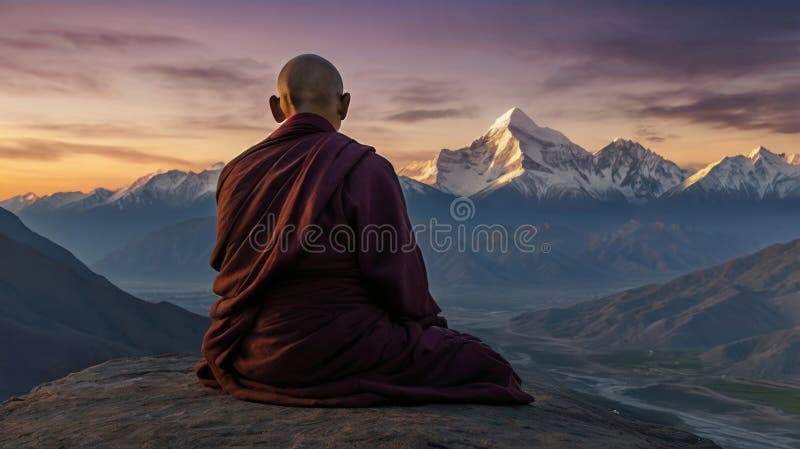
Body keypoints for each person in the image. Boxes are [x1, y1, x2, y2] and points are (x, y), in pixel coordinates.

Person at [195, 54, 534, 407]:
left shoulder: (236, 172)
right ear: (345, 105)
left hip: (251, 352)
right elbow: (398, 276)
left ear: (275, 108)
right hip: (345, 346)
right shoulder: (365, 168)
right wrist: (424, 327)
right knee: (488, 366)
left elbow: (236, 267)